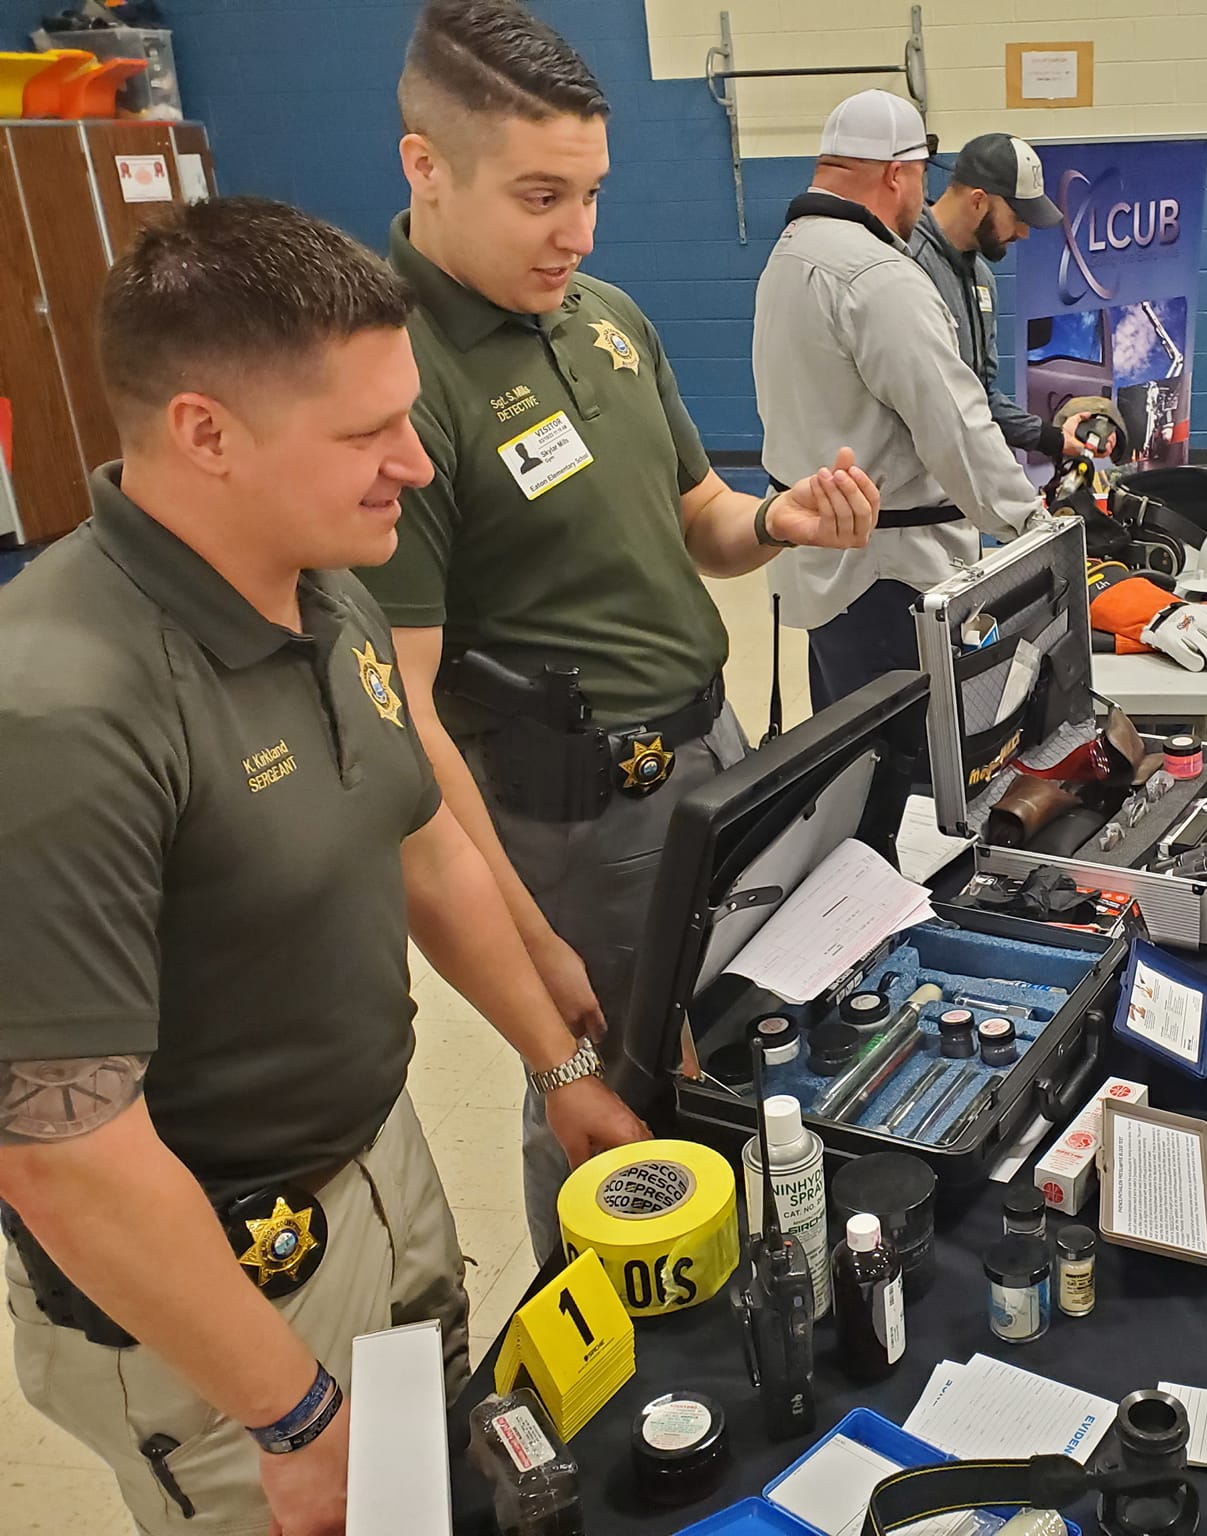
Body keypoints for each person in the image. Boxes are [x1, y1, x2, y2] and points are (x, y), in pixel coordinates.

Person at [0, 197, 649, 1536]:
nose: (415, 465)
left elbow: (412, 833)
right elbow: (60, 1155)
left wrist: (560, 1064)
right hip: (217, 1291)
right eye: (367, 433)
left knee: (454, 1496)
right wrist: (289, 1411)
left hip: (374, 1165)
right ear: (205, 434)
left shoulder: (318, 578)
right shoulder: (60, 713)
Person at [357, 0, 880, 1264]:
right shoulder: (391, 378)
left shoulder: (607, 315)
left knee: (744, 1035)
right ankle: (600, 1358)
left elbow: (699, 515)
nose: (576, 232)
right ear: (425, 165)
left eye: (589, 194)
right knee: (604, 1102)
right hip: (573, 819)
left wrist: (780, 525)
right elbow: (403, 710)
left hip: (713, 756)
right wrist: (529, 950)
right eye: (540, 197)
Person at [755, 89, 1043, 718]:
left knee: (850, 759)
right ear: (898, 172)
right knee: (910, 779)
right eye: (917, 178)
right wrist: (1033, 526)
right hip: (890, 580)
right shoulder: (877, 276)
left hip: (827, 571)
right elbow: (955, 421)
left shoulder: (790, 255)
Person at [907, 132, 1088, 464]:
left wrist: (1054, 439)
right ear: (978, 200)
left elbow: (980, 397)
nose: (1023, 232)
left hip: (957, 490)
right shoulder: (906, 267)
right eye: (1017, 216)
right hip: (909, 498)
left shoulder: (982, 279)